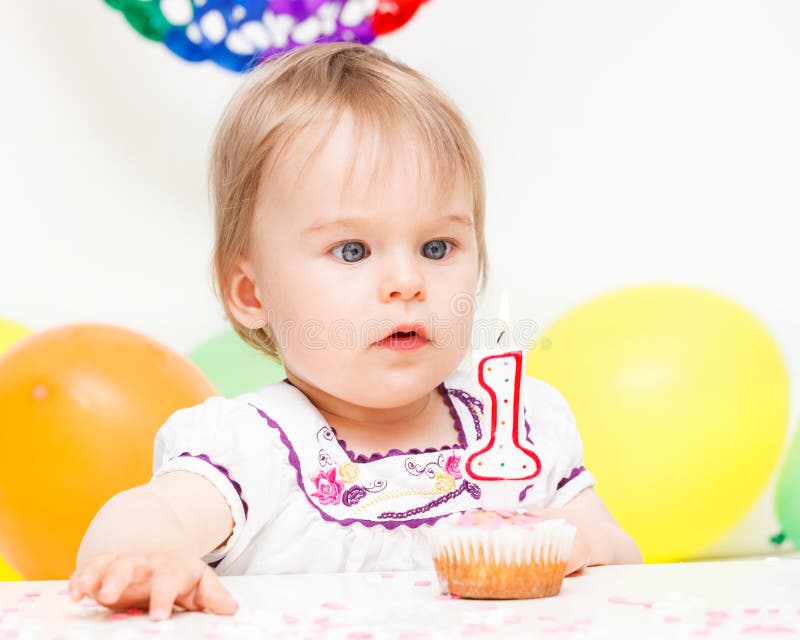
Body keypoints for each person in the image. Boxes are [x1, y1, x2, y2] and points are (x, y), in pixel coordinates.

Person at [68, 42, 641, 621]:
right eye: (352, 250)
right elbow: (144, 517)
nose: (406, 281)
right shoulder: (254, 451)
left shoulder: (515, 431)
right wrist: (151, 556)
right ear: (251, 294)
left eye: (437, 247)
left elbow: (623, 564)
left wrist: (583, 543)